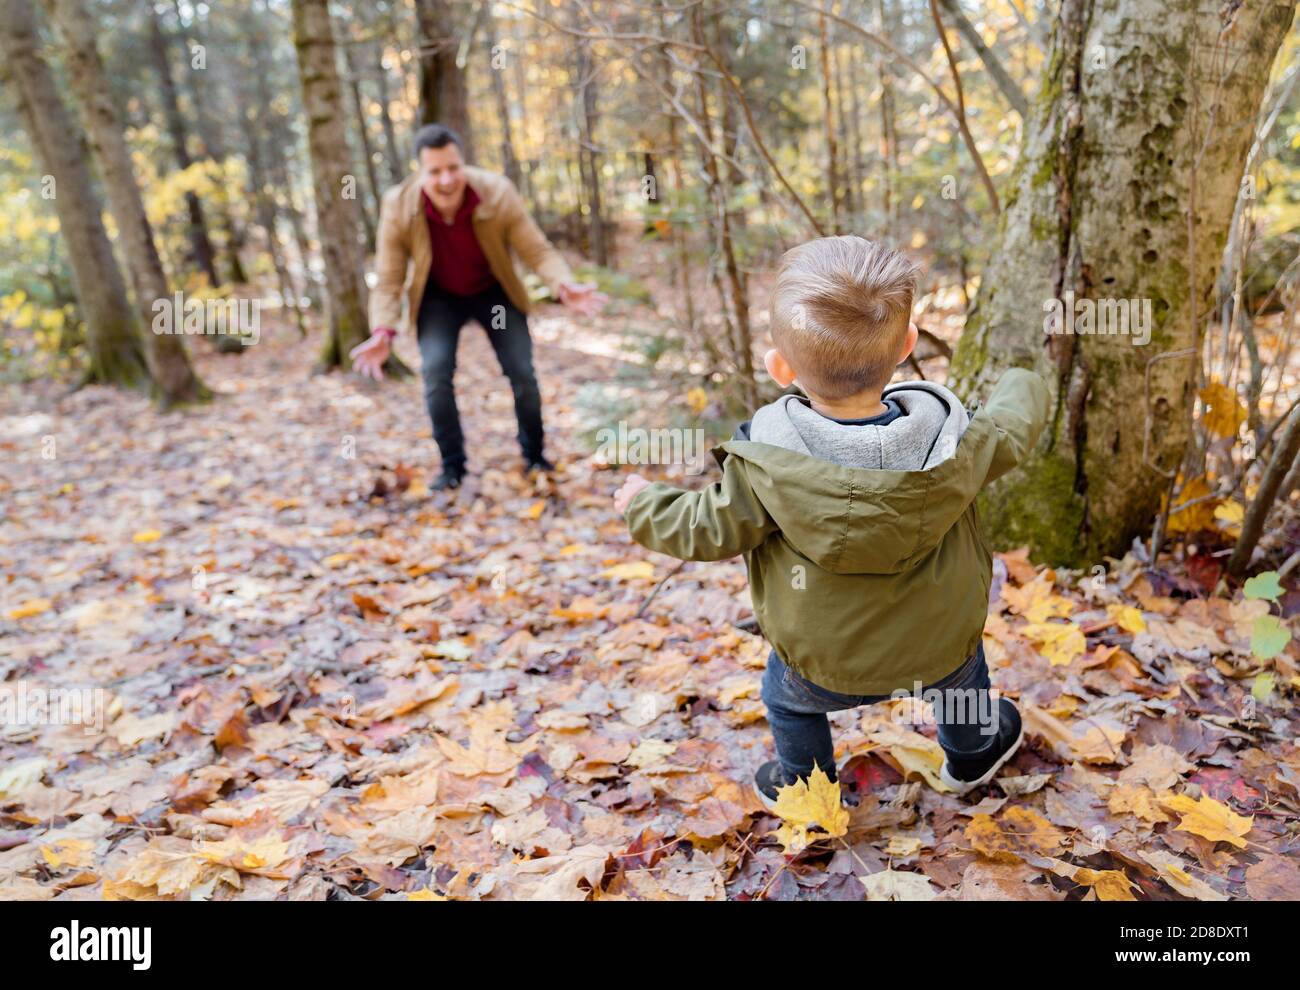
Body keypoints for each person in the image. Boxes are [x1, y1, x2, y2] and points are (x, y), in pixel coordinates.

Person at [612, 235, 1051, 807]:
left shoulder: (767, 464)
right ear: (907, 346)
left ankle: (807, 789)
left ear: (779, 367)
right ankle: (972, 754)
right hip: (941, 643)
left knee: (785, 698)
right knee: (963, 681)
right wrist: (1025, 380)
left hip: (823, 661)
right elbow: (1014, 427)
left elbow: (704, 526)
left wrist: (643, 502)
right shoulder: (957, 443)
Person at [351, 123, 606, 490]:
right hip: (439, 298)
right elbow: (389, 277)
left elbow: (536, 249)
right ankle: (452, 468)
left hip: (493, 293)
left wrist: (562, 283)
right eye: (434, 171)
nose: (445, 180)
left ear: (463, 163)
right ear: (420, 172)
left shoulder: (496, 192)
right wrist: (383, 330)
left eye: (453, 168)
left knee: (521, 372)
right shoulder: (399, 205)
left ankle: (534, 457)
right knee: (436, 374)